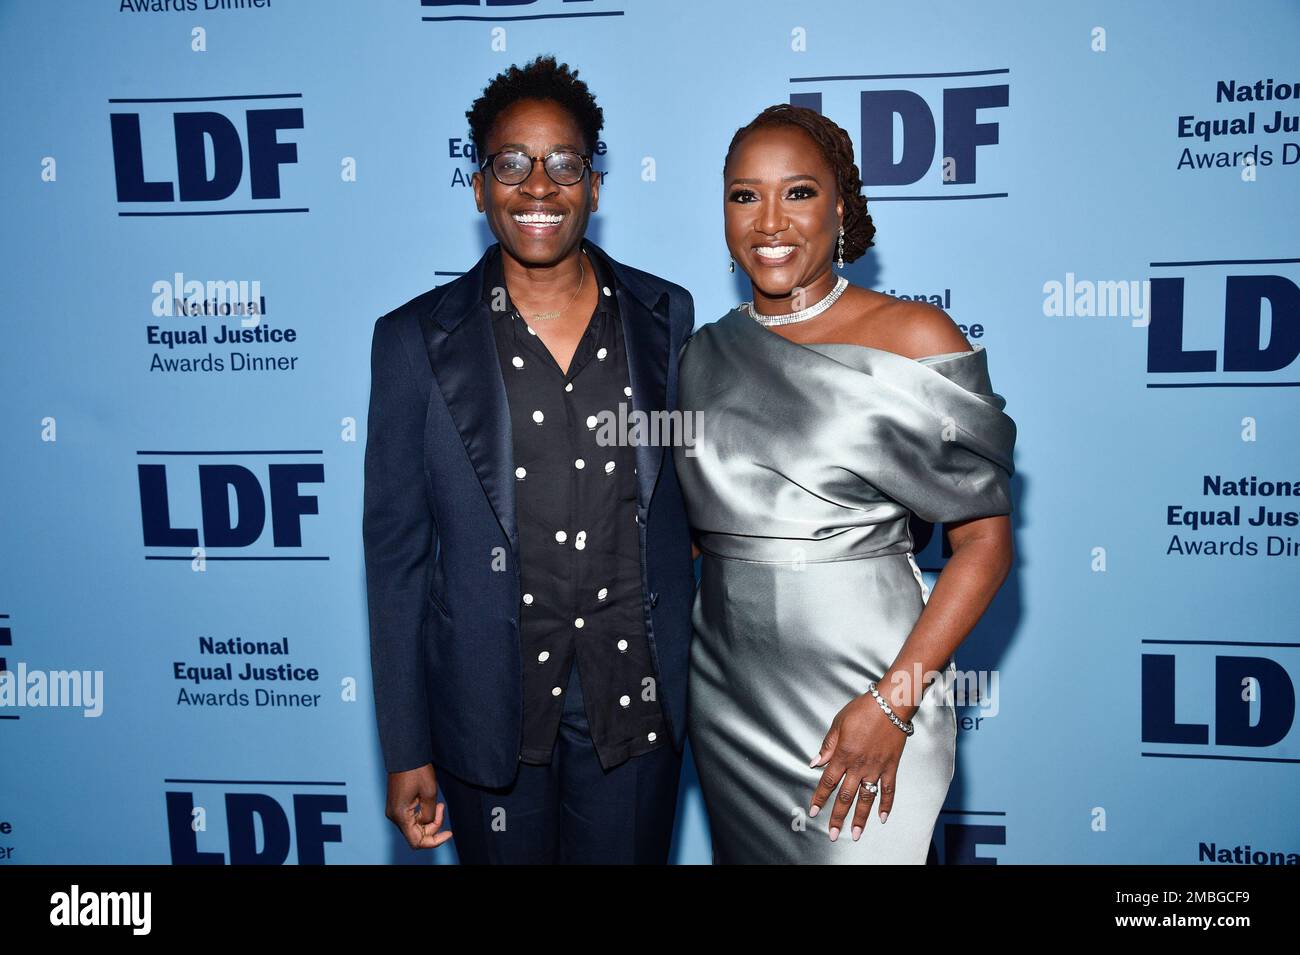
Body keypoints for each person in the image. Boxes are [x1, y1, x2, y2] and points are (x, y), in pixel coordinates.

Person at [362, 55, 696, 864]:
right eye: (511, 163)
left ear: (595, 183)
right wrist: (407, 748)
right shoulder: (412, 341)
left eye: (564, 163)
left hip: (638, 710)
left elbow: (693, 507)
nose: (538, 186)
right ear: (478, 186)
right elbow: (397, 557)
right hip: (490, 717)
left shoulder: (666, 317)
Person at [672, 104, 1017, 864]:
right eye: (743, 194)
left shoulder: (916, 337)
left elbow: (985, 546)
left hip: (867, 690)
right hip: (728, 701)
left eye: (798, 193)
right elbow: (693, 542)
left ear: (841, 206)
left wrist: (893, 704)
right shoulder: (699, 355)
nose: (770, 221)